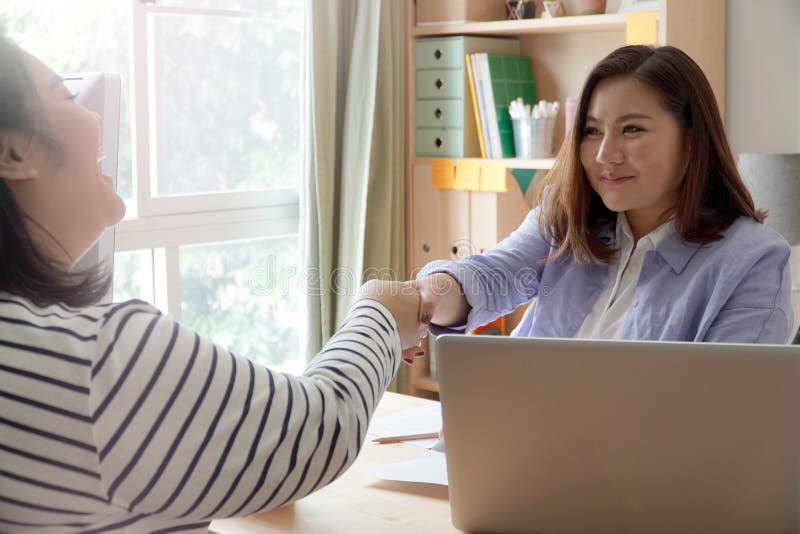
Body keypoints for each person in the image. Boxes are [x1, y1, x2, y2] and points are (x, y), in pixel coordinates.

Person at [0, 35, 428, 531]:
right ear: (12, 151)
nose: (96, 118)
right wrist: (380, 311)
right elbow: (321, 428)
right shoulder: (95, 360)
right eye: (62, 95)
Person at [415, 45, 794, 344]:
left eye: (632, 130)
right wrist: (423, 299)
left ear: (692, 140)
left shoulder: (753, 261)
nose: (604, 155)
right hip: (518, 436)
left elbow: (726, 413)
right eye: (593, 131)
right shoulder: (565, 219)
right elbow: (490, 277)